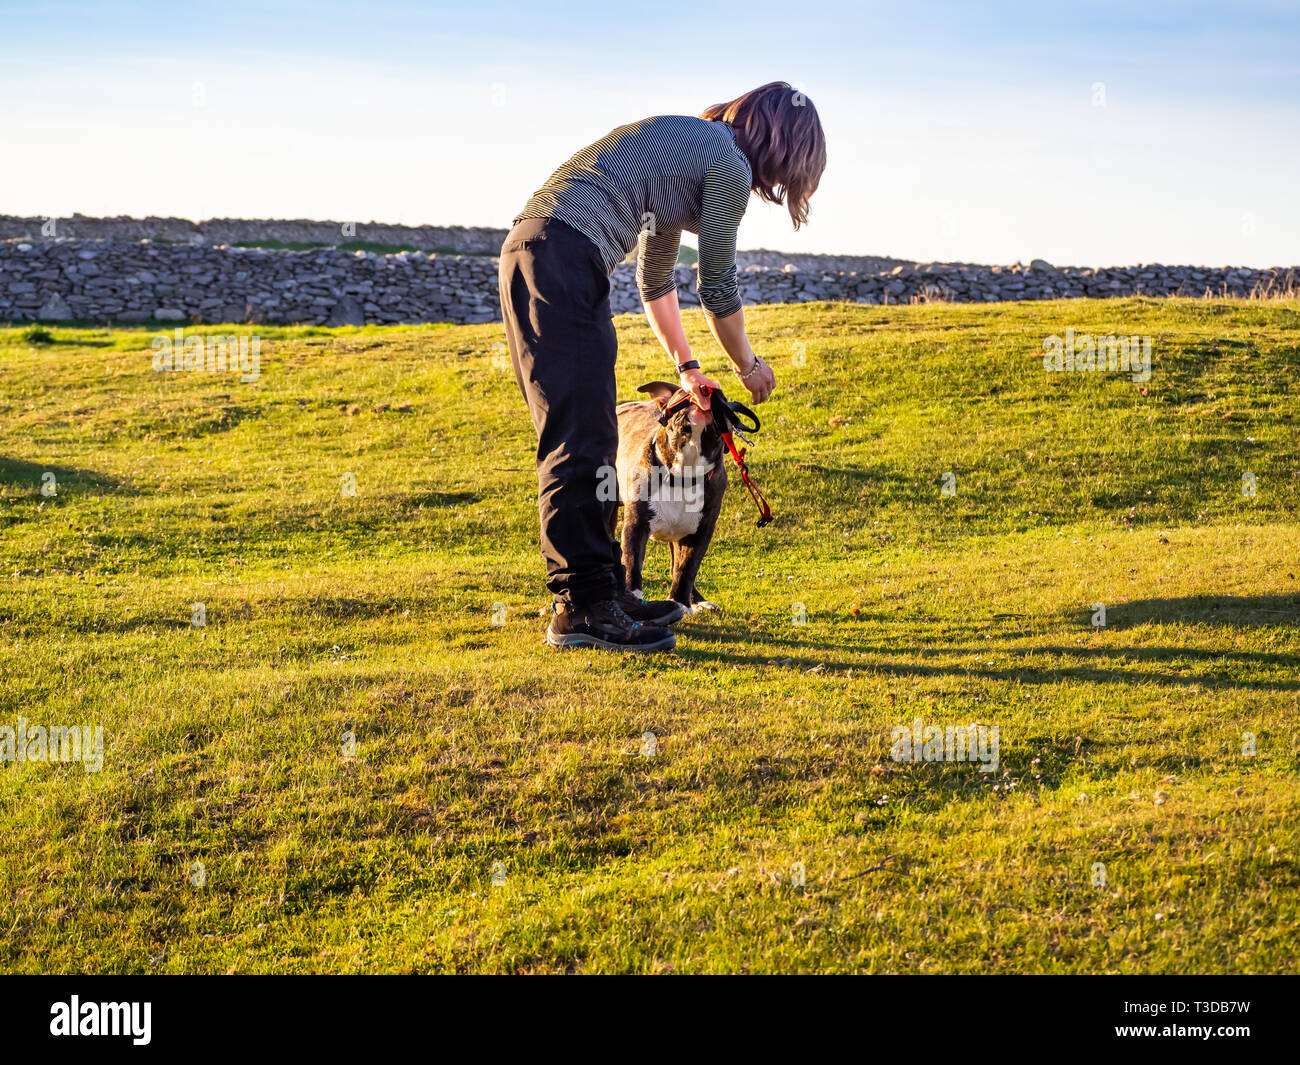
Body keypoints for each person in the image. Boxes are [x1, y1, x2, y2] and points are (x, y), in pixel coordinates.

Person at [498, 81, 827, 651]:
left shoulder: (688, 151)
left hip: (544, 248)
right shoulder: (727, 162)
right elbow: (717, 283)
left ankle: (604, 593)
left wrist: (688, 367)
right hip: (565, 253)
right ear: (785, 146)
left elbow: (655, 280)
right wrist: (749, 367)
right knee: (578, 440)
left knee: (593, 434)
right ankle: (580, 609)